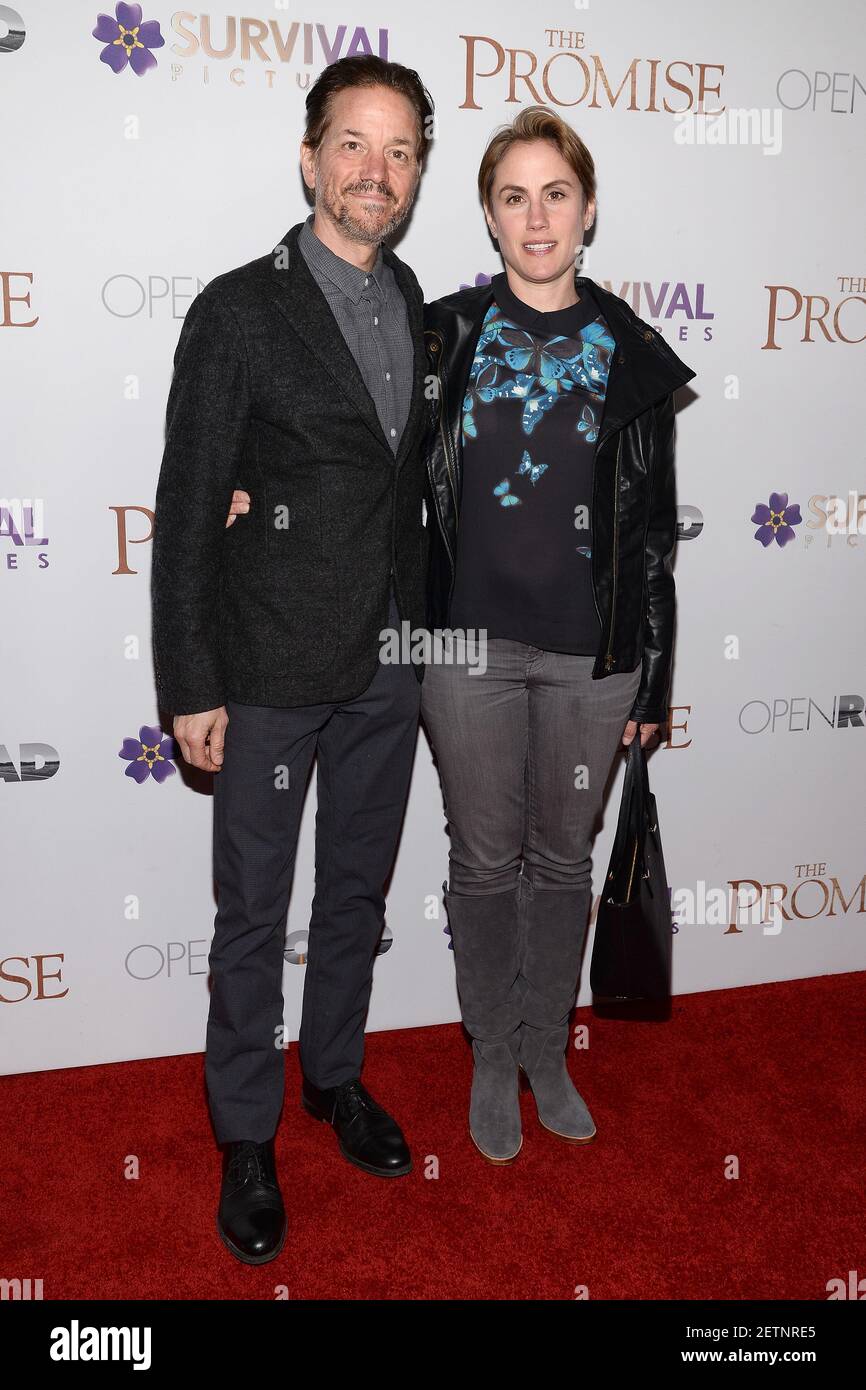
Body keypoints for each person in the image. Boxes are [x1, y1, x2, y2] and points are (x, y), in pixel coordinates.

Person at [225, 104, 697, 1167]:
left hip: (592, 658)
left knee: (559, 863)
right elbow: (350, 437)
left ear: (586, 211)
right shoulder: (441, 330)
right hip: (457, 650)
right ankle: (489, 1049)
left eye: (555, 194)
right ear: (487, 216)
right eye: (512, 196)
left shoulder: (634, 356)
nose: (536, 217)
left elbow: (655, 536)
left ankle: (543, 1046)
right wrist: (251, 485)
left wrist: (653, 677)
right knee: (484, 863)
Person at [151, 54, 435, 1264]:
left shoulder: (418, 296)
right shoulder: (236, 307)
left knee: (358, 896)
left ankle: (333, 1079)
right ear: (308, 157)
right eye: (355, 145)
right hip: (267, 667)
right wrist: (190, 681)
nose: (377, 172)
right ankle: (247, 1133)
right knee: (252, 916)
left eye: (401, 150)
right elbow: (185, 506)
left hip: (391, 661)